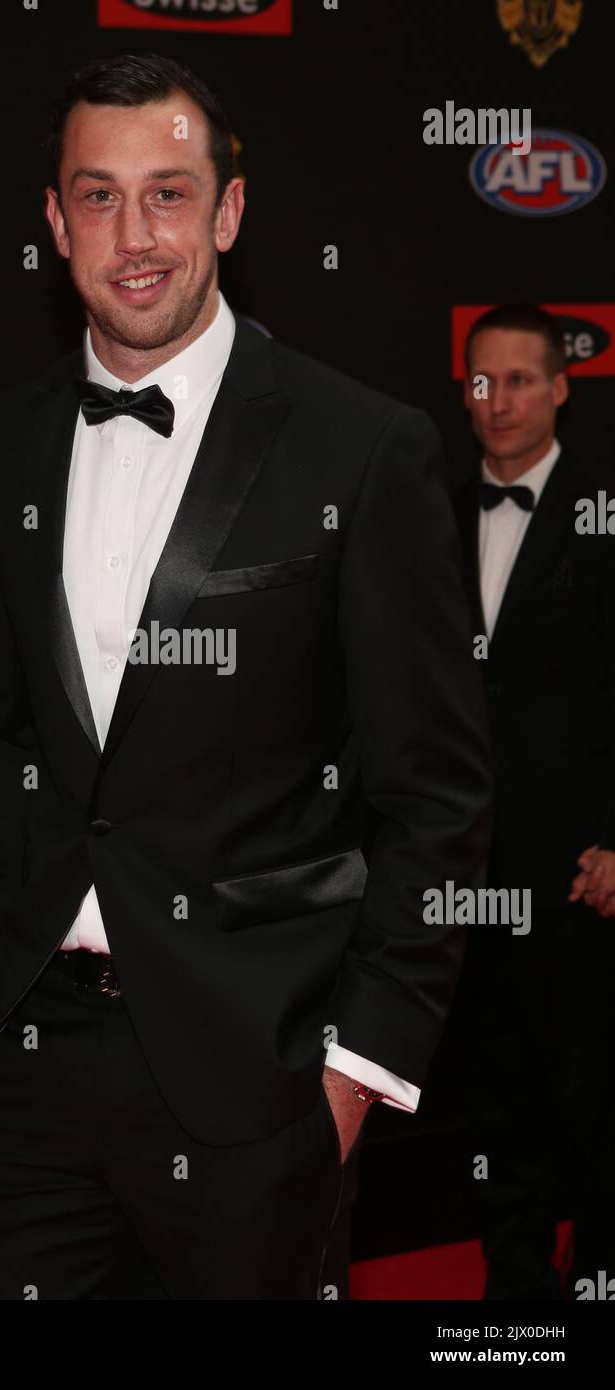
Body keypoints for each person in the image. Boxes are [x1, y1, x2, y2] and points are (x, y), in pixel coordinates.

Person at [0, 52, 492, 1300]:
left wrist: (354, 1077)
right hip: (19, 1069)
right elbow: (0, 729)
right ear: (52, 222)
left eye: (169, 193)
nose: (134, 236)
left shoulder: (363, 448)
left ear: (229, 213)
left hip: (254, 1085)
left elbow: (436, 797)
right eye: (97, 195)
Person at [453, 303, 615, 1300]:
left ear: (559, 388)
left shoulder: (602, 512)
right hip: (466, 881)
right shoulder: (427, 515)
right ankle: (513, 1297)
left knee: (593, 1100)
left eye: (519, 379)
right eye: (481, 381)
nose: (498, 399)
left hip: (578, 875)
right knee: (493, 1106)